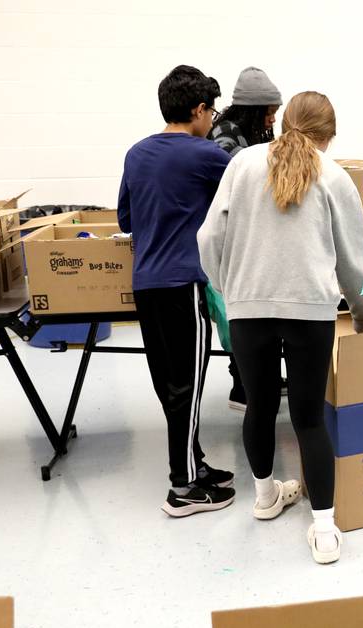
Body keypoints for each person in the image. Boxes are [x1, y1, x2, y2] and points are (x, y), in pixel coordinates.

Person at [198, 91, 363, 564]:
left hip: (247, 307)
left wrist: (227, 287)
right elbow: (354, 260)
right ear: (328, 135)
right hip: (310, 310)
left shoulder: (244, 164)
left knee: (258, 405)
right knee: (310, 417)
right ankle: (325, 529)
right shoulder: (334, 176)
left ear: (283, 123)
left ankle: (265, 497)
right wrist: (360, 312)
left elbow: (208, 235)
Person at [117, 65, 235, 517]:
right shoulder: (205, 155)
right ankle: (183, 488)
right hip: (185, 284)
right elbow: (247, 195)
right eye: (212, 112)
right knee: (189, 386)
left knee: (172, 388)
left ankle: (195, 464)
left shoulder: (136, 153)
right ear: (199, 110)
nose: (213, 121)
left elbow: (127, 220)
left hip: (146, 285)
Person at [207, 66, 284, 413]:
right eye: (269, 111)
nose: (273, 118)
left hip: (257, 233)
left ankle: (259, 378)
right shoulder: (224, 135)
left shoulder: (258, 131)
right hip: (234, 237)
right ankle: (242, 384)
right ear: (254, 108)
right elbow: (240, 177)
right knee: (237, 316)